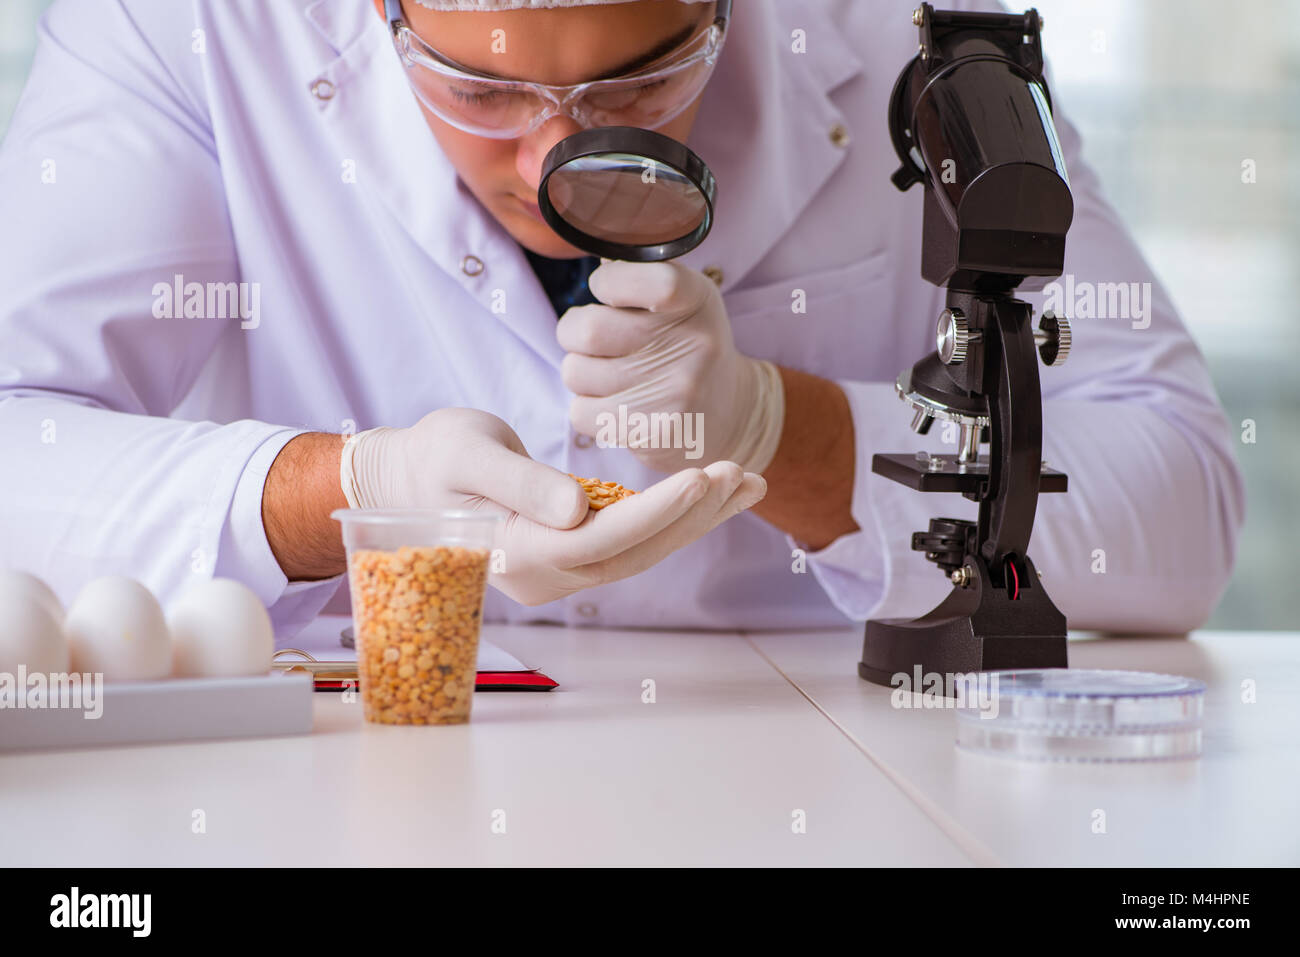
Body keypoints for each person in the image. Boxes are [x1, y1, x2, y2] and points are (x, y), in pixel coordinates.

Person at [0, 0, 1245, 638]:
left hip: (809, 784)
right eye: (480, 85)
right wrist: (356, 492)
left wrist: (785, 433)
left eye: (639, 77)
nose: (559, 151)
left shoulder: (907, 34)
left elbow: (1182, 504)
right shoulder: (187, 31)